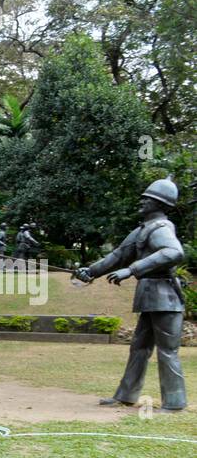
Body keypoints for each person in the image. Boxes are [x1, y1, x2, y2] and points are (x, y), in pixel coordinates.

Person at [75, 176, 187, 412]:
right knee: (139, 347)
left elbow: (174, 252)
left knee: (167, 351)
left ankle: (175, 402)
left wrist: (132, 269)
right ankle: (126, 394)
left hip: (166, 297)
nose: (142, 200)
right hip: (150, 297)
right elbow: (117, 255)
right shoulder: (142, 230)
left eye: (148, 198)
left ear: (159, 204)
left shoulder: (161, 228)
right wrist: (91, 271)